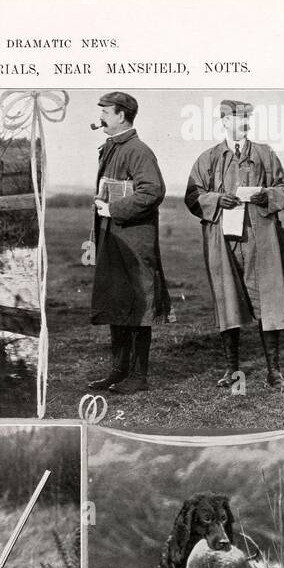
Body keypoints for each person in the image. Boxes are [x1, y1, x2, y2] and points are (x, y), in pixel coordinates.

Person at [185, 99, 284, 392]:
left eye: (247, 115)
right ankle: (232, 370)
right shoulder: (209, 158)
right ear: (223, 120)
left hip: (261, 240)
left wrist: (267, 196)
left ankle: (274, 372)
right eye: (236, 116)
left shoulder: (265, 154)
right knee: (228, 302)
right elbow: (192, 197)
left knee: (269, 303)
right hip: (222, 242)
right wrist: (216, 200)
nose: (243, 120)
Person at [88, 92, 171, 395]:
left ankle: (138, 376)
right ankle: (118, 371)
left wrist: (114, 209)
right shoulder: (112, 147)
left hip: (134, 240)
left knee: (137, 304)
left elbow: (153, 191)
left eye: (105, 112)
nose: (101, 118)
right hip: (114, 238)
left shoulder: (138, 150)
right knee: (116, 302)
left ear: (121, 116)